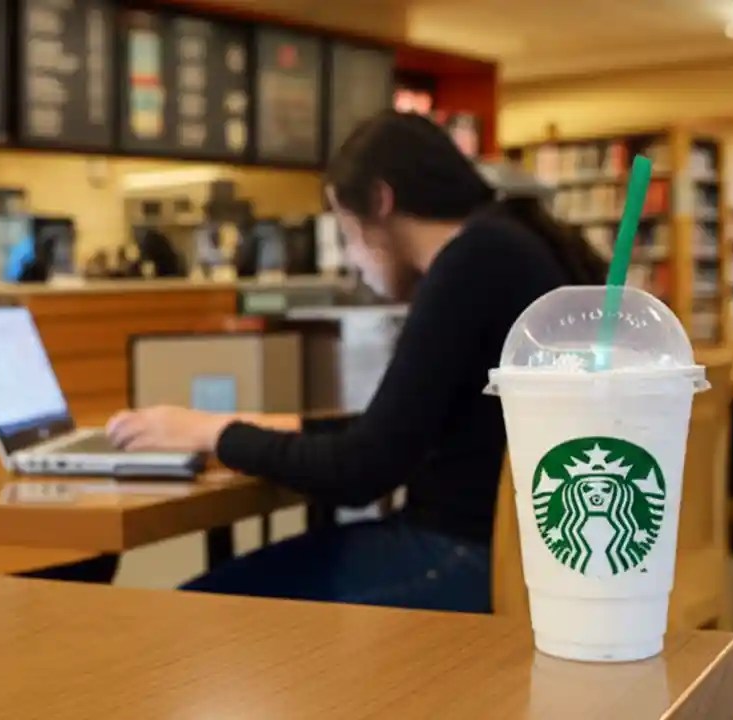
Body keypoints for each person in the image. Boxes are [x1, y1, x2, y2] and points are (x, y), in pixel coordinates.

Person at [105, 111, 609, 613]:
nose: (352, 258)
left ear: (381, 202)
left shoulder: (471, 261)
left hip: (464, 557)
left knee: (187, 612)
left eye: (346, 231)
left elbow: (361, 472)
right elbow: (403, 429)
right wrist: (260, 425)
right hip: (512, 555)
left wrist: (214, 436)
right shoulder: (509, 242)